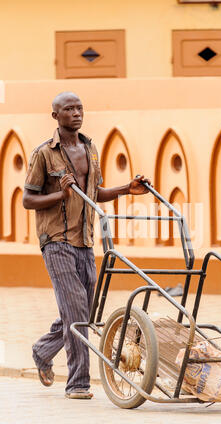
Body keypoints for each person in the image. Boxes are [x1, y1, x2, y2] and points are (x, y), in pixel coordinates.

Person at [23, 91, 150, 399]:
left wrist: (126, 189)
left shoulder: (90, 148)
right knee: (77, 311)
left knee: (84, 311)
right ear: (56, 116)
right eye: (68, 109)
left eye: (79, 108)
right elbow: (28, 199)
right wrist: (60, 196)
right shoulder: (44, 153)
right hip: (55, 241)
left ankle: (43, 350)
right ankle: (78, 383)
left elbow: (94, 193)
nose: (76, 113)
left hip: (85, 240)